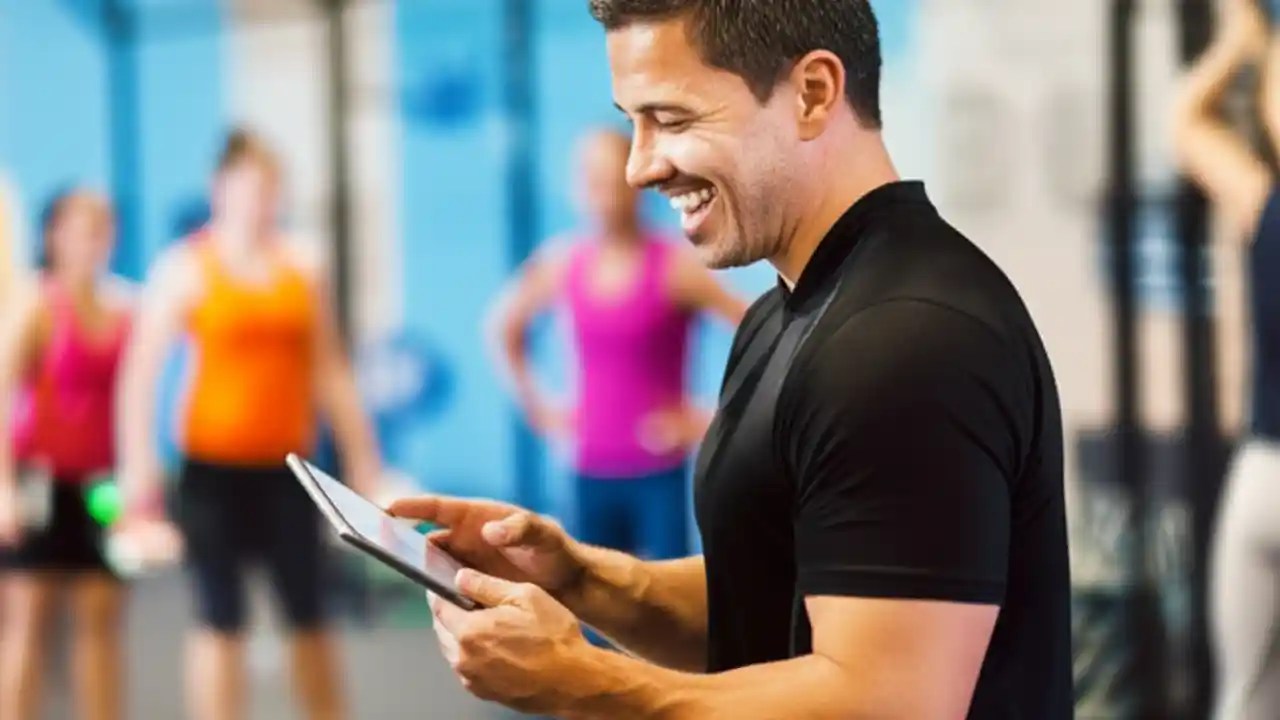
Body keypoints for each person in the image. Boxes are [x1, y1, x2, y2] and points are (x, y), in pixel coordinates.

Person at [388, 1, 1074, 718]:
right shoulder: (784, 316)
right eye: (633, 122)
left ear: (812, 93)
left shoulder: (904, 341)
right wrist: (579, 580)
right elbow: (776, 607)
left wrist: (580, 679)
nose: (639, 167)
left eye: (673, 120)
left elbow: (884, 702)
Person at [116, 129, 382, 720]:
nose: (258, 202)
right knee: (220, 619)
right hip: (211, 473)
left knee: (310, 616)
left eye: (268, 190)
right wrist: (138, 468)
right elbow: (140, 375)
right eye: (246, 189)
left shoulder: (303, 266)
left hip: (289, 471)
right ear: (219, 190)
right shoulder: (186, 267)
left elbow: (330, 369)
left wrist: (365, 459)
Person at [489, 128, 746, 562]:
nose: (604, 195)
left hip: (657, 472)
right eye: (593, 181)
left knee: (663, 596)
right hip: (588, 470)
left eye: (613, 181)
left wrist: (713, 419)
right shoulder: (563, 263)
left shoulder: (675, 267)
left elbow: (758, 328)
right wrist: (540, 408)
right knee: (589, 593)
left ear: (637, 183)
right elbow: (504, 329)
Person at [1174, 1, 1280, 717]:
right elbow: (1185, 125)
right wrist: (1243, 41)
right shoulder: (1263, 202)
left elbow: (1188, 123)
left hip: (1262, 475)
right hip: (1261, 473)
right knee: (1243, 699)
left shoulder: (1262, 200)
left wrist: (1245, 43)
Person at [0, 190, 133, 720]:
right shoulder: (36, 305)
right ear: (54, 236)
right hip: (39, 482)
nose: (90, 243)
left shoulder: (123, 309)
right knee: (28, 622)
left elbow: (135, 402)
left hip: (100, 485)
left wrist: (138, 491)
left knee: (100, 622)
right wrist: (3, 489)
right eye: (80, 231)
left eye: (101, 231)